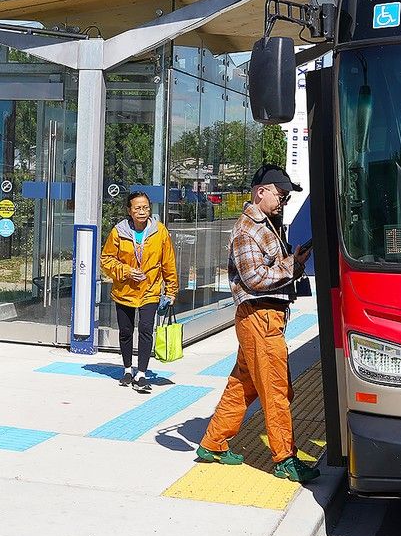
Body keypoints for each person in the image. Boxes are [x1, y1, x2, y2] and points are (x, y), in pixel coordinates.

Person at [197, 164, 318, 483]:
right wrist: (291, 267)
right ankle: (285, 459)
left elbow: (267, 269)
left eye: (287, 197)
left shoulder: (265, 225)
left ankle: (212, 444)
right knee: (277, 389)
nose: (283, 201)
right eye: (281, 195)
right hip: (260, 317)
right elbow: (254, 277)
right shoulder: (247, 229)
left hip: (262, 317)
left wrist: (295, 260)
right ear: (261, 192)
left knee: (244, 384)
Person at [100, 191, 178, 393]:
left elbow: (168, 262)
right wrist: (126, 271)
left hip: (150, 290)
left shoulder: (160, 232)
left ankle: (142, 373)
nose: (142, 212)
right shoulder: (118, 232)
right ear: (129, 210)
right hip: (124, 290)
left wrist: (171, 291)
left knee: (145, 329)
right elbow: (106, 259)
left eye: (145, 207)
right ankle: (127, 369)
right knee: (126, 331)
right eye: (137, 208)